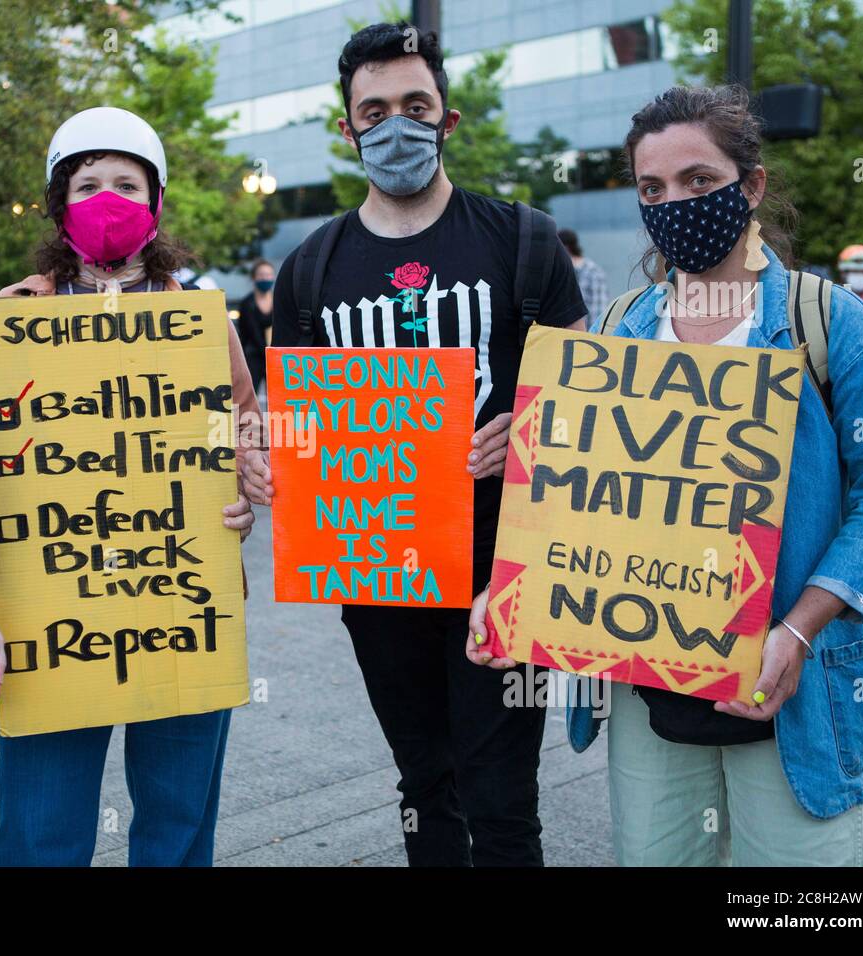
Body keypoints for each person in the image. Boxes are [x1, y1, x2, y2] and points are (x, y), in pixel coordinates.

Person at [469, 85, 863, 866]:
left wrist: (799, 630)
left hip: (789, 692)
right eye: (652, 188)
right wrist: (515, 596)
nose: (674, 202)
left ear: (753, 186)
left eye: (699, 181)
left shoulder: (832, 322)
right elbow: (576, 498)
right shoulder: (616, 330)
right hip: (652, 695)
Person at [239, 22, 588, 867]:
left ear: (448, 119)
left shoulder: (524, 239)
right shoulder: (310, 269)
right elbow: (288, 421)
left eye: (415, 105)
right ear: (348, 128)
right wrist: (258, 455)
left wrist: (538, 430)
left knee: (502, 798)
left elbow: (593, 404)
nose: (397, 125)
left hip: (504, 566)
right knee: (424, 785)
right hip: (378, 573)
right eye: (376, 110)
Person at [0, 107, 259, 866]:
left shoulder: (199, 319)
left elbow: (244, 424)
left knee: (179, 826)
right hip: (50, 614)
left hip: (185, 598)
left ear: (154, 206)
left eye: (128, 183)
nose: (109, 199)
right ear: (59, 206)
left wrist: (245, 490)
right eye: (88, 184)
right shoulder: (15, 316)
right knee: (39, 831)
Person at [235, 259, 275, 392]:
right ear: (254, 277)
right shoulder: (247, 303)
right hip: (253, 357)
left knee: (277, 397)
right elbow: (247, 333)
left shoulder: (279, 301)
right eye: (262, 275)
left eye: (269, 275)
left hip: (274, 358)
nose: (266, 278)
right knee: (251, 395)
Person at [558, 228, 610, 320]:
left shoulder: (593, 272)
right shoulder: (558, 272)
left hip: (586, 332)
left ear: (566, 248)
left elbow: (598, 311)